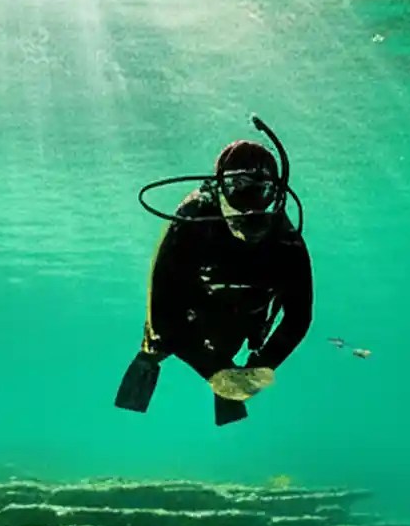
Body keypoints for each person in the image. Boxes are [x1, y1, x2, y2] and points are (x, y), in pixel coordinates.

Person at [115, 125, 313, 426]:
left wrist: (262, 366)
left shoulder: (286, 240)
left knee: (227, 353)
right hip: (186, 314)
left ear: (276, 193)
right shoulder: (192, 221)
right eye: (238, 189)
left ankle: (231, 410)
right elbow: (164, 313)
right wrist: (215, 371)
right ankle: (145, 374)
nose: (249, 207)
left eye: (261, 192)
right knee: (157, 342)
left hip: (243, 318)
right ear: (219, 189)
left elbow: (299, 316)